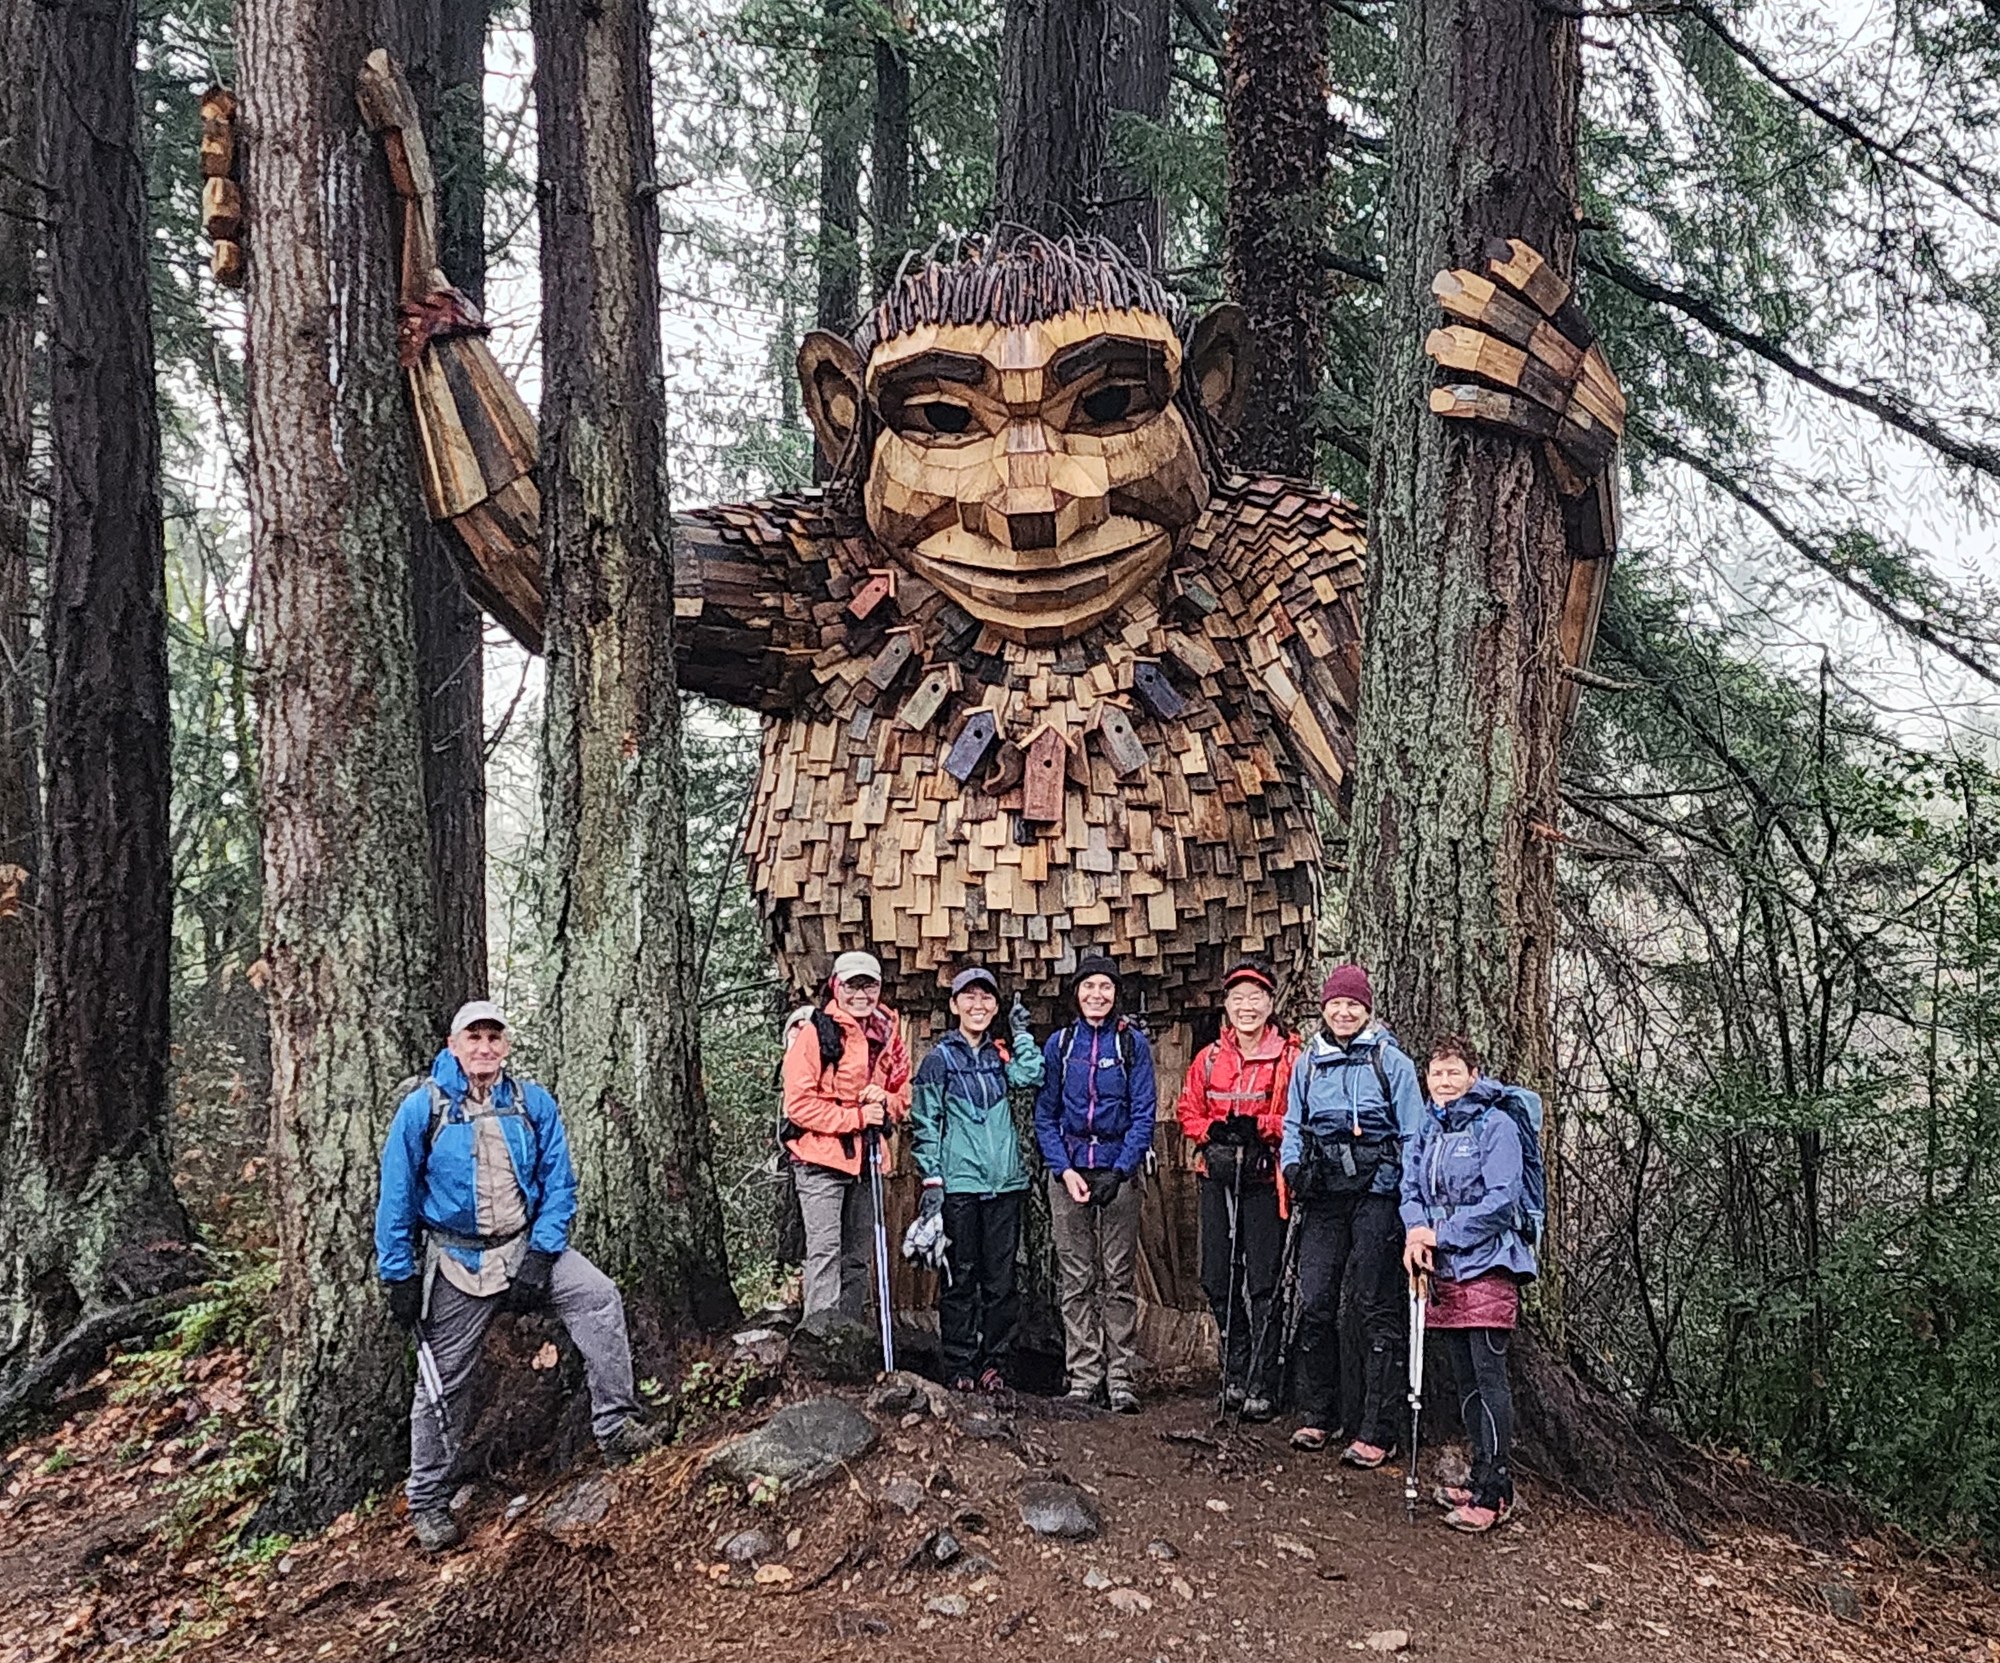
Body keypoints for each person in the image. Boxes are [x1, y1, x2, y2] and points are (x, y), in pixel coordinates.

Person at [376, 1000, 657, 1554]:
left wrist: (542, 1254)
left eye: (493, 1037)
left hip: (526, 1248)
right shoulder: (422, 1109)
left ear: (506, 1045)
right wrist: (399, 1275)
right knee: (440, 1380)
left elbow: (560, 1184)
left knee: (599, 1297)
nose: (484, 1047)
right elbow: (396, 1196)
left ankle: (615, 1426)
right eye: (473, 1037)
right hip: (458, 1262)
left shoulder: (533, 1103)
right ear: (454, 1044)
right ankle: (428, 1500)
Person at [1279, 964, 1423, 1463]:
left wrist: (1405, 1197)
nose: (1343, 1012)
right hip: (1323, 1193)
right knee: (1316, 1299)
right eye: (1336, 1004)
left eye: (1353, 1005)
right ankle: (1319, 1414)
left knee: (1373, 1304)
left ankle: (1377, 1428)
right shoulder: (1309, 1063)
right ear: (1324, 1008)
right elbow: (1292, 1122)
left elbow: (1414, 1136)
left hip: (1377, 1195)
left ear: (1367, 1010)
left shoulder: (1392, 1063)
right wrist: (1293, 1166)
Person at [1401, 1035, 1537, 1532]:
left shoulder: (1496, 1125)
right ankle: (1479, 1474)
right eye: (1437, 1074)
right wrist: (1417, 1231)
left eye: (1454, 1072)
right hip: (1444, 1271)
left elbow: (1503, 1200)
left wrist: (1442, 1234)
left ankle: (1497, 1491)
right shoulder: (1428, 1130)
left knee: (1489, 1378)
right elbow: (1410, 1187)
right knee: (1463, 1379)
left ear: (1473, 1075)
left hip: (1489, 1265)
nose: (1444, 1082)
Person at [908, 966, 1045, 1392]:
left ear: (996, 1006)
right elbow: (925, 1122)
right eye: (969, 997)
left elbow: (1033, 1074)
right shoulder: (938, 1060)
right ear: (954, 1005)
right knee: (960, 1278)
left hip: (1005, 1183)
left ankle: (994, 1365)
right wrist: (932, 1181)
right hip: (960, 1185)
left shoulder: (999, 1056)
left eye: (986, 998)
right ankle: (961, 1365)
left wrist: (1022, 1035)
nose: (978, 1005)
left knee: (1001, 1282)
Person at [1034, 954, 1157, 1412]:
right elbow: (1045, 1114)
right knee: (1076, 1276)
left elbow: (1144, 1111)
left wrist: (1121, 1169)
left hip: (1118, 1171)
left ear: (1115, 993)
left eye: (1105, 987)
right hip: (1068, 1169)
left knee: (1118, 1276)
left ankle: (1121, 1377)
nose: (1097, 995)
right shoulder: (1061, 1045)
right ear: (1077, 994)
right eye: (1089, 987)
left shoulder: (1132, 1045)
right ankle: (1083, 1375)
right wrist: (1064, 1169)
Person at [1178, 959, 1297, 1421]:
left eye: (1255, 998)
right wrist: (1214, 1132)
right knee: (1217, 1277)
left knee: (1263, 1282)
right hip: (1219, 1176)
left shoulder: (1289, 1057)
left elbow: (1297, 1116)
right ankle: (1235, 1369)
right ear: (1226, 1006)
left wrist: (1261, 1127)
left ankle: (1263, 1381)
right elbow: (1188, 1108)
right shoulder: (1209, 1058)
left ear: (1270, 1004)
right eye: (1237, 999)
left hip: (1266, 1182)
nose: (1246, 1008)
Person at [779, 950, 911, 1322]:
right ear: (837, 986)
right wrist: (855, 1116)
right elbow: (799, 1106)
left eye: (868, 985)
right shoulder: (815, 1034)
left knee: (857, 1257)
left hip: (867, 1159)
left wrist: (885, 1101)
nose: (861, 994)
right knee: (825, 1252)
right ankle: (819, 1341)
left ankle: (850, 1339)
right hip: (820, 1159)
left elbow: (903, 1096)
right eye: (853, 985)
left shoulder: (887, 1034)